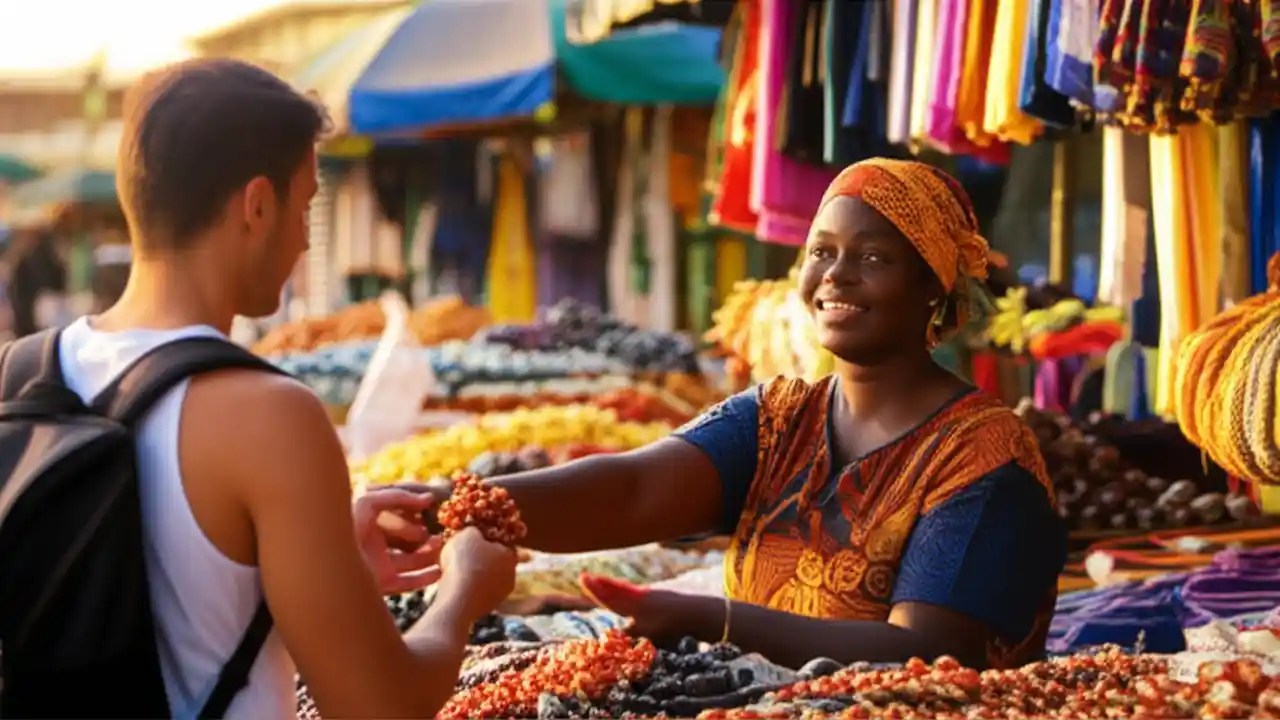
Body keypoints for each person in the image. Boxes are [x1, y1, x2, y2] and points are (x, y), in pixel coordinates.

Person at [411, 158, 1066, 670]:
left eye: (873, 258)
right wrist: (444, 506)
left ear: (932, 285)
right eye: (821, 251)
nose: (835, 276)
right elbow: (635, 489)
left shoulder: (982, 460)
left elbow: (927, 653)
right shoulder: (778, 419)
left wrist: (710, 620)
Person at [61, 58, 516, 718]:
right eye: (305, 206)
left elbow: (163, 609)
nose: (304, 240)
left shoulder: (24, 373)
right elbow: (380, 708)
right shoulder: (270, 416)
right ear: (256, 206)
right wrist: (464, 592)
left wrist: (325, 568)